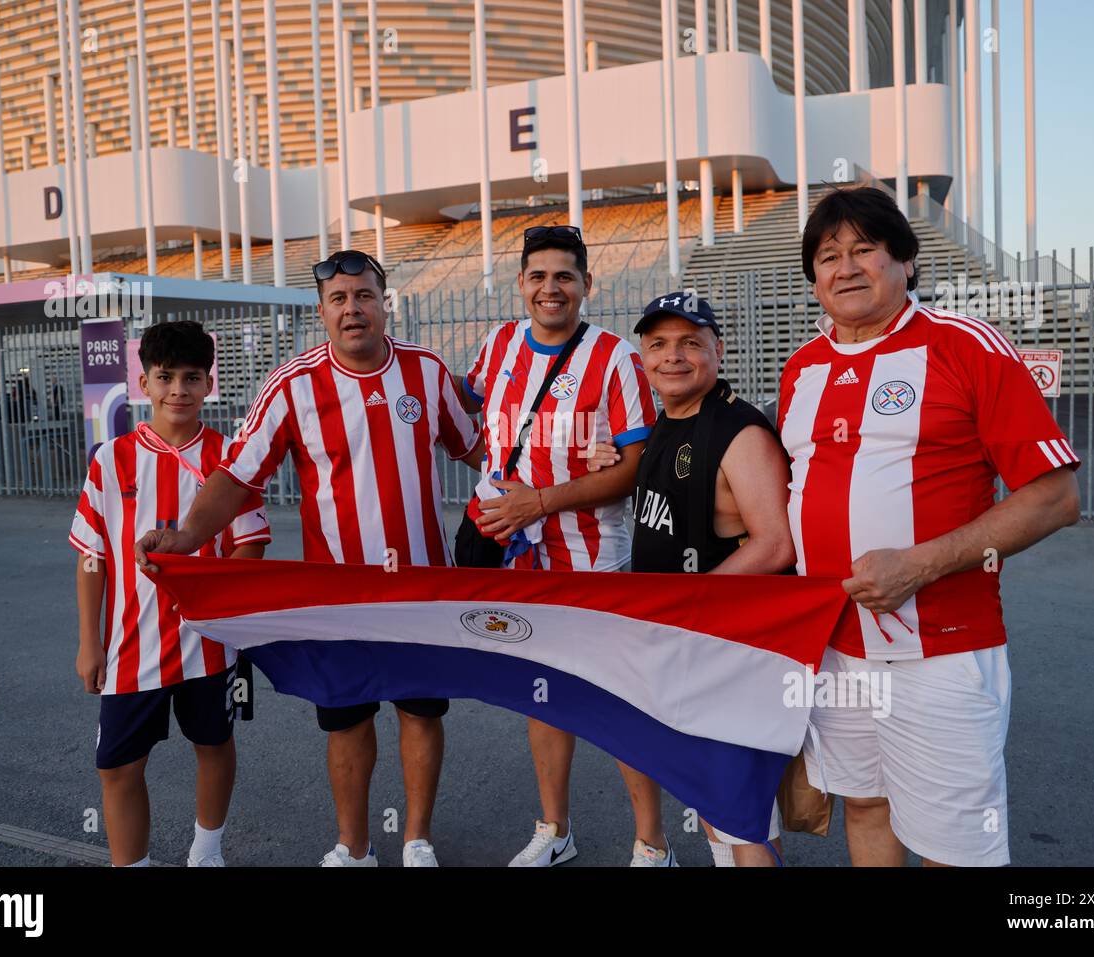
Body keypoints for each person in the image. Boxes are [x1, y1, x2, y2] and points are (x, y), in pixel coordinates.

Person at [136, 250, 482, 868]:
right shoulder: (293, 384)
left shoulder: (427, 374)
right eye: (339, 299)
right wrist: (188, 534)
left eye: (364, 295)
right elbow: (240, 474)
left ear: (384, 302)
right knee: (347, 720)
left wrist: (544, 493)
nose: (353, 309)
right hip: (339, 596)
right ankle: (353, 846)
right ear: (322, 312)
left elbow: (479, 448)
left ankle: (417, 840)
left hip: (424, 586)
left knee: (421, 710)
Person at [780, 186, 1080, 867]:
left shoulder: (962, 344)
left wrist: (919, 564)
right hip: (833, 647)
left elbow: (1056, 496)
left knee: (955, 846)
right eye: (829, 256)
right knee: (865, 805)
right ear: (814, 279)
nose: (846, 267)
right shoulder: (801, 369)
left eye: (864, 250)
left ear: (906, 261)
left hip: (940, 648)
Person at [458, 224, 658, 866]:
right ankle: (555, 830)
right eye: (539, 276)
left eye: (565, 276)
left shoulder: (616, 358)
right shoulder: (495, 346)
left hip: (593, 553)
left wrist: (541, 499)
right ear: (521, 284)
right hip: (517, 551)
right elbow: (476, 420)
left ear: (586, 286)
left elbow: (635, 467)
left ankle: (653, 844)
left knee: (619, 693)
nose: (551, 288)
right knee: (541, 689)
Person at [71, 320, 271, 867]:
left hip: (208, 646)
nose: (177, 390)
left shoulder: (232, 459)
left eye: (191, 377)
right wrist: (90, 642)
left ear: (210, 384)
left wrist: (224, 611)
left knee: (213, 745)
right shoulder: (110, 459)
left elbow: (249, 546)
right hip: (131, 647)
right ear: (144, 383)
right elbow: (92, 557)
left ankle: (206, 851)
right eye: (165, 377)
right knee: (116, 765)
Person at [630, 291, 796, 867]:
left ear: (717, 351)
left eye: (690, 343)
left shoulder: (739, 432)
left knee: (735, 806)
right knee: (719, 803)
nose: (673, 357)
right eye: (659, 344)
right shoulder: (667, 420)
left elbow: (776, 544)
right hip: (686, 642)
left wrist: (692, 606)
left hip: (729, 645)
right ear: (643, 356)